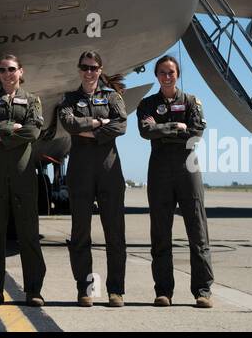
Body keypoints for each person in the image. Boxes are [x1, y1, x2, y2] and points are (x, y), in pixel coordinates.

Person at [137, 54, 214, 308]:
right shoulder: (147, 103)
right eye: (162, 72)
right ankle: (163, 291)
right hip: (159, 170)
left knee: (197, 231)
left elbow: (195, 134)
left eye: (171, 72)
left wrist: (163, 129)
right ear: (156, 76)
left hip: (187, 170)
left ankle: (202, 291)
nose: (167, 76)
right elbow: (145, 132)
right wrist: (177, 127)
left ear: (177, 75)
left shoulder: (191, 101)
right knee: (160, 233)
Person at [58, 50, 128, 307]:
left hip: (109, 171)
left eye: (93, 68)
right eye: (85, 68)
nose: (89, 72)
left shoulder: (112, 97)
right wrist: (100, 123)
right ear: (79, 70)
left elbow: (121, 125)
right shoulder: (69, 98)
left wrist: (89, 130)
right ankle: (85, 289)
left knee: (115, 234)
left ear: (100, 70)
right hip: (80, 172)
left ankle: (116, 290)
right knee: (80, 234)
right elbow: (69, 124)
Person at [0, 53, 46, 306]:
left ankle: (33, 290)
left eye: (11, 69)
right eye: (2, 69)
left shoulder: (32, 100)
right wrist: (12, 129)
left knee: (29, 233)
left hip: (23, 174)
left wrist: (1, 133)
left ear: (20, 71)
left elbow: (33, 130)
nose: (7, 74)